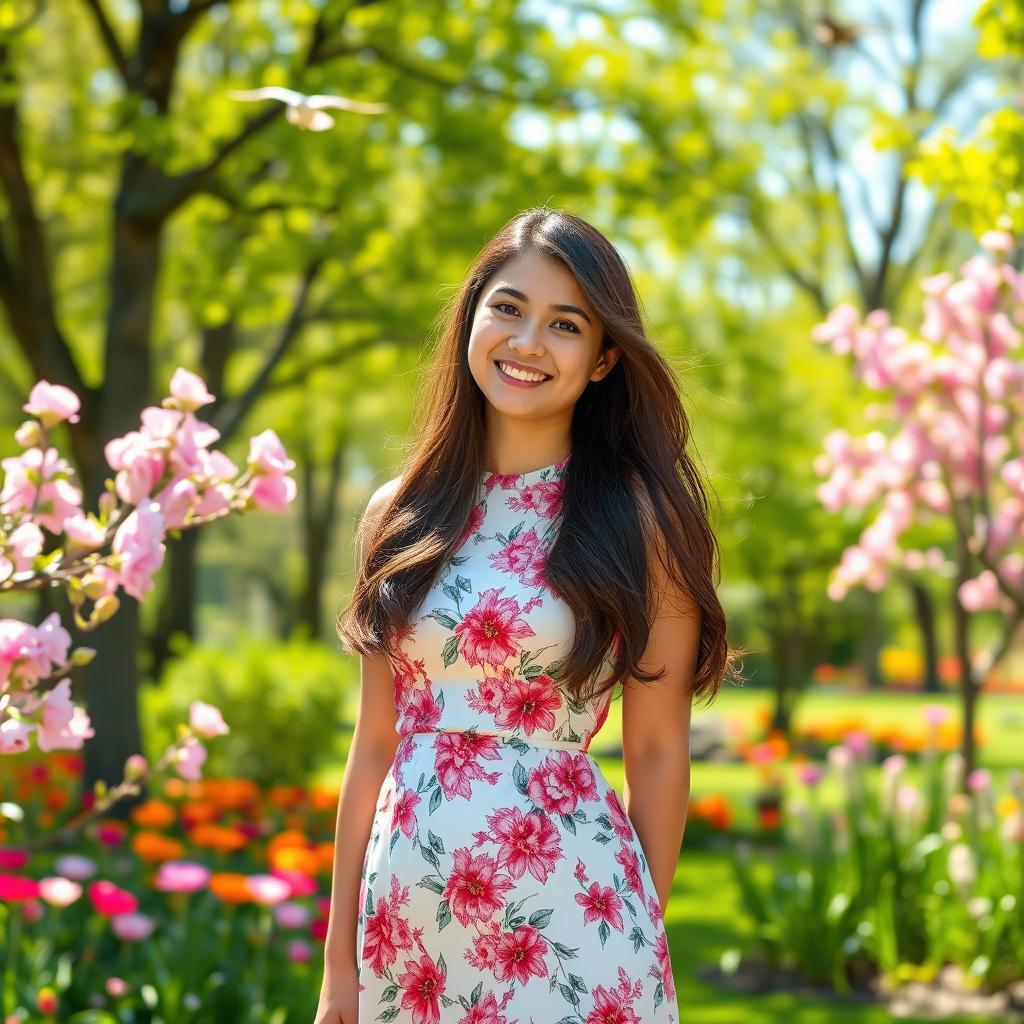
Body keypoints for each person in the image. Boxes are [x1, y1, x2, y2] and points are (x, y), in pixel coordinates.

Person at [316, 207, 739, 1024]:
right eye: (508, 307)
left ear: (605, 358)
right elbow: (372, 745)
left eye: (565, 324)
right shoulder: (396, 514)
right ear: (472, 312)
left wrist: (635, 934)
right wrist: (340, 964)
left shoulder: (641, 521)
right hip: (404, 932)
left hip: (568, 927)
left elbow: (654, 753)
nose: (527, 342)